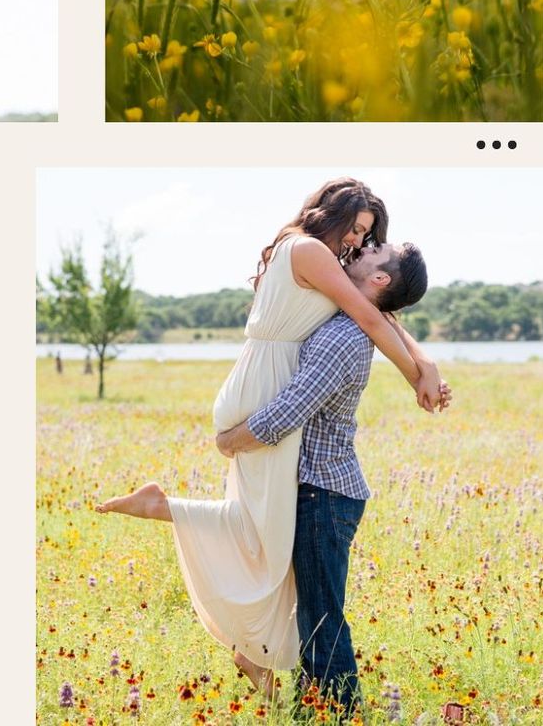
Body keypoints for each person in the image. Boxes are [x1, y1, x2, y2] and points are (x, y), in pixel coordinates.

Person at [96, 178, 445, 696]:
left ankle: (259, 653)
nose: (356, 242)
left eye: (368, 238)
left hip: (277, 408)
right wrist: (421, 370)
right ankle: (291, 676)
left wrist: (424, 365)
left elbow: (380, 314)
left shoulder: (333, 286)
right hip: (265, 391)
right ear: (333, 214)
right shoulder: (309, 253)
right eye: (356, 230)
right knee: (269, 540)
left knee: (268, 537)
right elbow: (373, 313)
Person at [215, 241, 447, 718]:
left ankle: (337, 713)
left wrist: (232, 439)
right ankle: (312, 707)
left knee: (321, 617)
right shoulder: (348, 314)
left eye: (373, 249)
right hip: (319, 490)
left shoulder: (344, 336)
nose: (362, 247)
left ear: (379, 280)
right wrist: (425, 366)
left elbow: (294, 406)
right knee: (313, 613)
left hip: (324, 493)